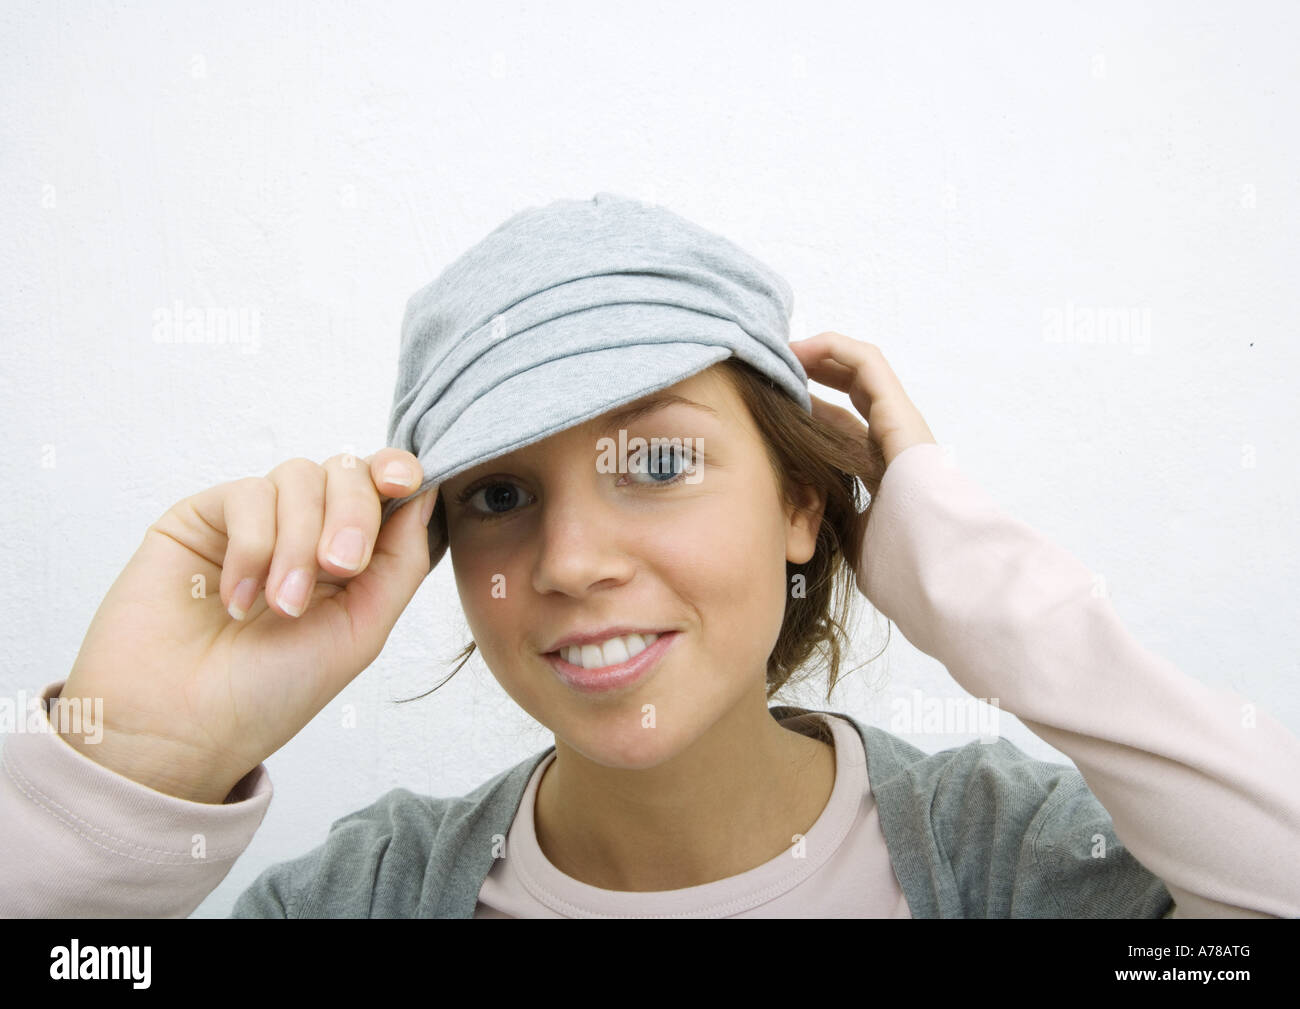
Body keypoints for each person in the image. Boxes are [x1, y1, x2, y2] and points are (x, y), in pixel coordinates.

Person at [2, 194, 1297, 918]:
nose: (568, 557)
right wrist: (131, 772)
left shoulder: (1023, 862)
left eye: (660, 463)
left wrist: (988, 597)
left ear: (805, 502)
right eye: (502, 491)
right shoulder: (360, 897)